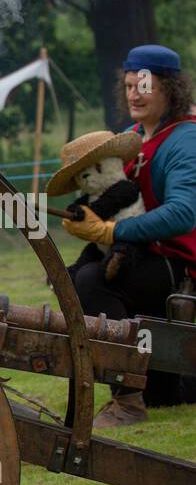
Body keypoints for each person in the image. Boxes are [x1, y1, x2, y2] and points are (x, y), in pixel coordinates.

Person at [63, 44, 196, 427]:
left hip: (181, 270)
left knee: (93, 279)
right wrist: (87, 215)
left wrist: (112, 229)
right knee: (74, 276)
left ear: (170, 88)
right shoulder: (131, 138)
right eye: (128, 86)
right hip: (146, 262)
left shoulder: (186, 139)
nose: (134, 94)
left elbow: (183, 215)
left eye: (144, 85)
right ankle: (154, 388)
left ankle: (127, 404)